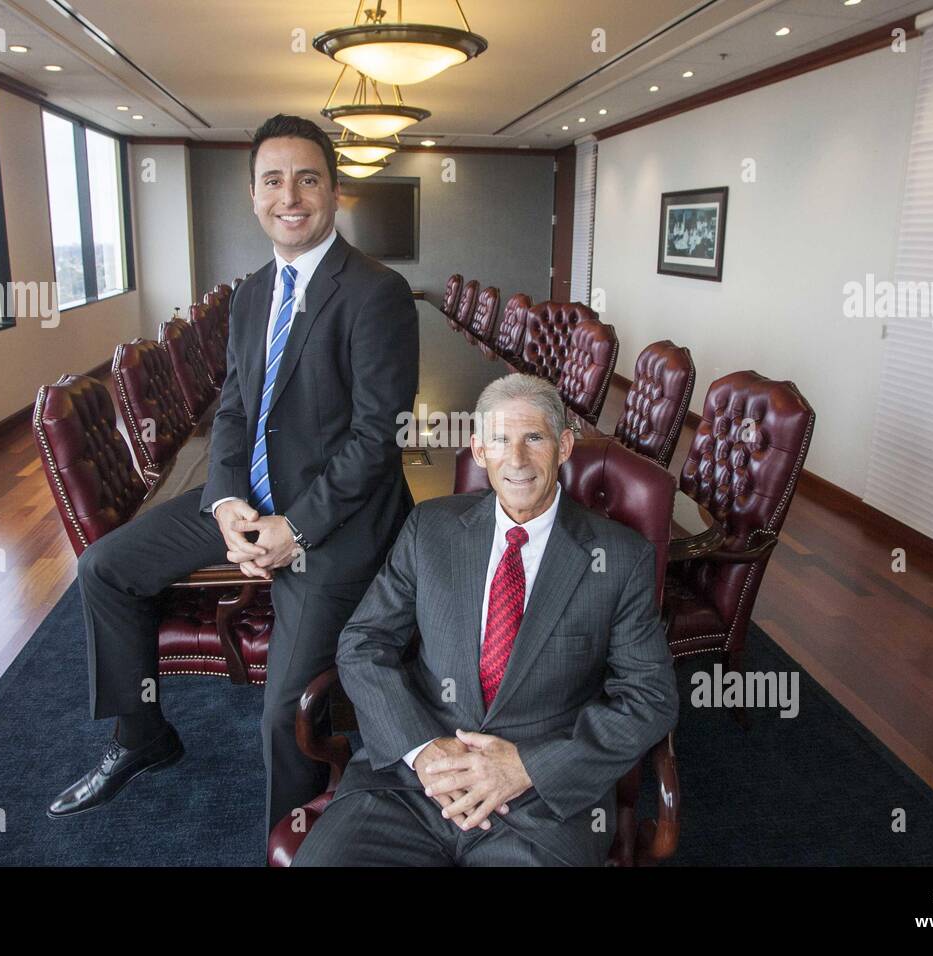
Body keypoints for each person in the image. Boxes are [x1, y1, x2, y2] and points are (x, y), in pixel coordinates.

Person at [48, 114, 419, 842]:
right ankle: (141, 736)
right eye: (274, 180)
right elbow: (234, 410)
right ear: (253, 196)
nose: (291, 195)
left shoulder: (377, 292)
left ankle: (298, 832)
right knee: (106, 568)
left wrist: (295, 527)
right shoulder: (252, 294)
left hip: (334, 520)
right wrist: (223, 503)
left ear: (333, 192)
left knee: (285, 708)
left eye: (308, 179)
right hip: (247, 497)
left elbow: (378, 437)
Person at [293, 374, 677, 866]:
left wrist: (527, 767)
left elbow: (651, 698)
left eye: (534, 438)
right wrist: (422, 750)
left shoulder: (620, 558)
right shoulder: (429, 529)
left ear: (562, 446)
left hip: (542, 804)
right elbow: (363, 642)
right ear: (478, 450)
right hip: (412, 788)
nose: (516, 460)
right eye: (500, 440)